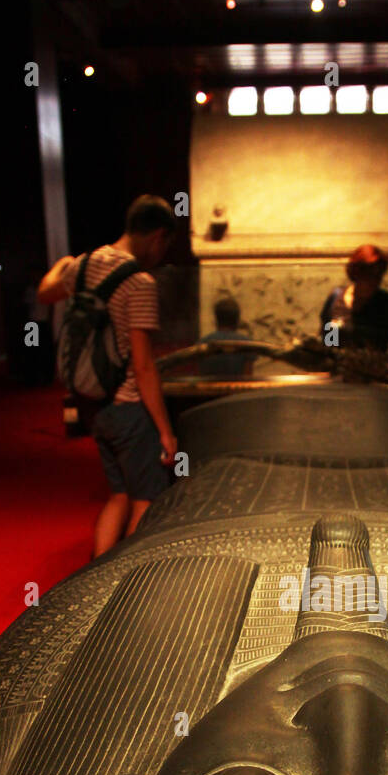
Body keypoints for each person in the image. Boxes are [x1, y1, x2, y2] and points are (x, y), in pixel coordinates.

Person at [37, 195, 178, 557]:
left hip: (93, 404)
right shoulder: (139, 282)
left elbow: (45, 291)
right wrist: (165, 430)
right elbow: (144, 364)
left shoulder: (82, 267)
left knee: (118, 495)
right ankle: (120, 586)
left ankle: (96, 574)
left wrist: (65, 262)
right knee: (146, 499)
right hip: (129, 405)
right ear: (158, 235)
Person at [320, 244, 388, 362]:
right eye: (369, 274)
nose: (374, 280)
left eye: (379, 275)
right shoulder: (336, 298)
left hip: (371, 375)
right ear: (356, 272)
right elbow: (328, 340)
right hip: (338, 374)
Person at [200, 296, 256, 379]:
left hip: (210, 390)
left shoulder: (203, 343)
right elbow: (247, 377)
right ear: (237, 320)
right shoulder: (248, 344)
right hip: (238, 391)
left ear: (216, 319)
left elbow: (201, 373)